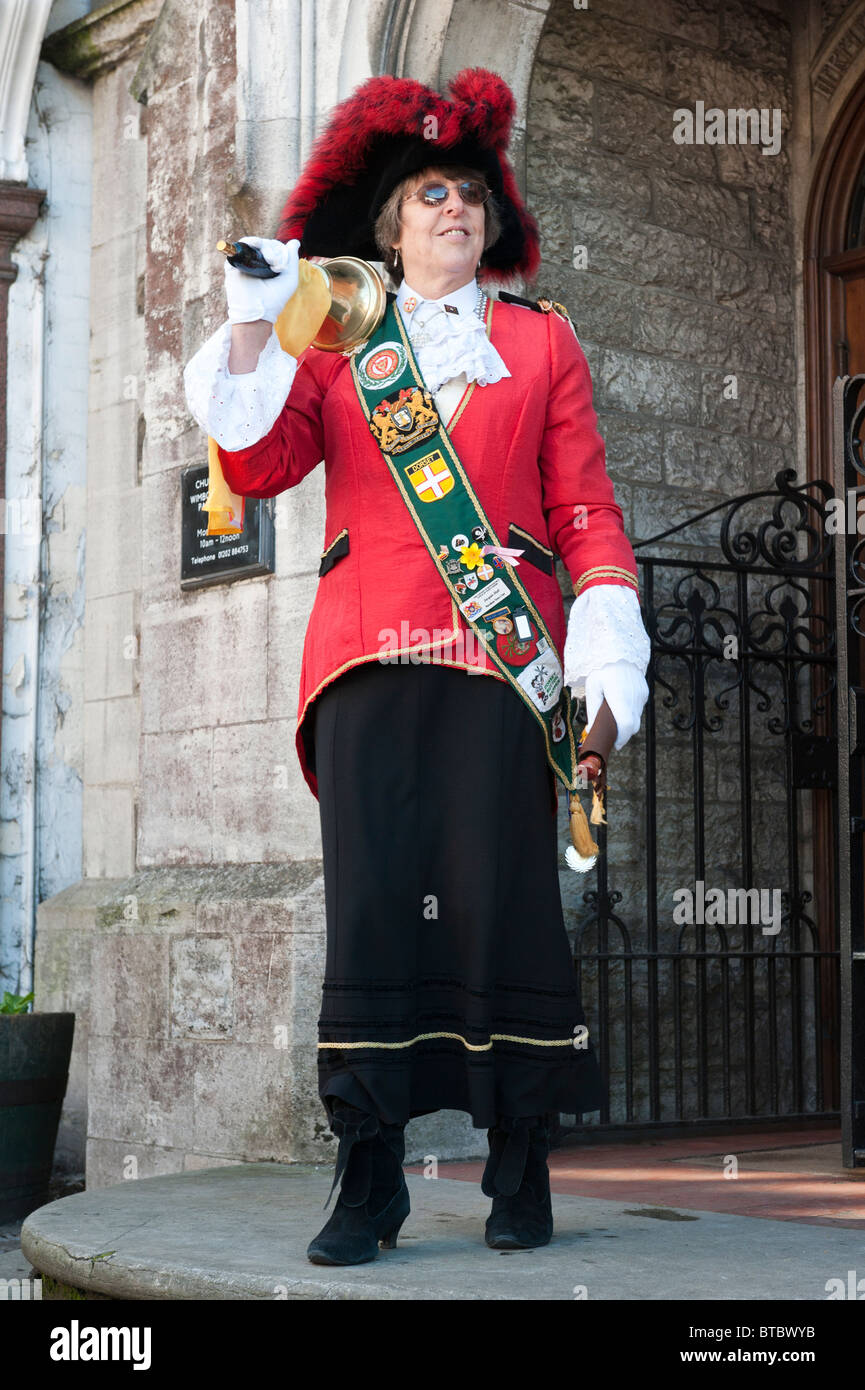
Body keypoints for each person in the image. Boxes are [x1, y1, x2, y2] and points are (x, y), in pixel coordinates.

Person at [183, 67, 651, 1266]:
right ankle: (370, 1177)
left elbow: (586, 510)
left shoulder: (543, 347)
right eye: (431, 195)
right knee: (378, 914)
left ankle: (519, 1164)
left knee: (503, 908)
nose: (456, 210)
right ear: (390, 225)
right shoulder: (339, 345)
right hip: (368, 662)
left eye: (472, 197)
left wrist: (605, 659)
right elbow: (257, 464)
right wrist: (253, 315)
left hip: (502, 669)